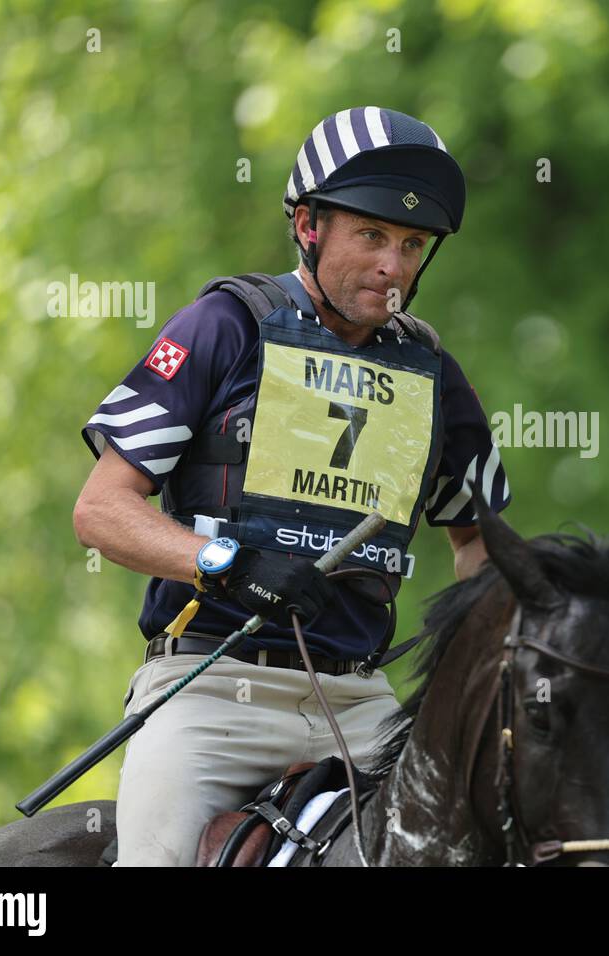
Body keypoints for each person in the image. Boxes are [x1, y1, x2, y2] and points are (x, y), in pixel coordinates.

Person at [72, 106, 511, 866]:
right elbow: (100, 511)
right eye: (372, 236)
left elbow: (478, 544)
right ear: (308, 226)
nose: (394, 267)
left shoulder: (430, 371)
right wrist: (230, 566)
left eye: (411, 246)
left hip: (363, 704)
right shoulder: (223, 326)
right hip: (212, 698)